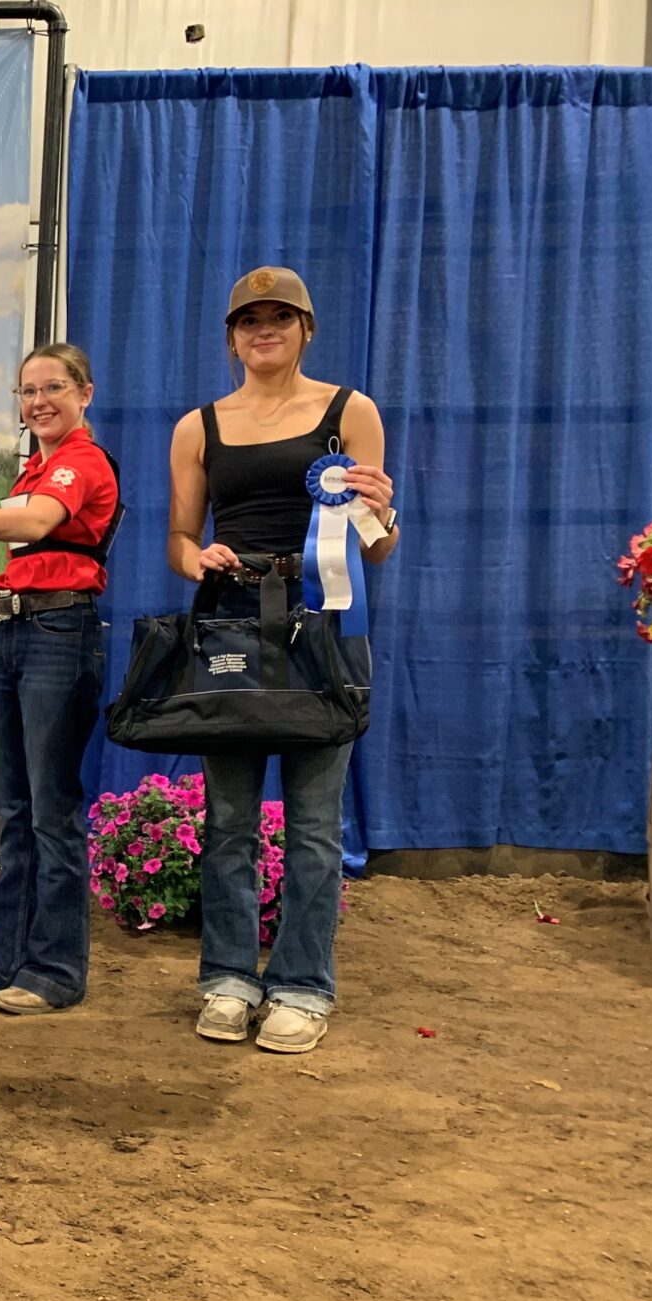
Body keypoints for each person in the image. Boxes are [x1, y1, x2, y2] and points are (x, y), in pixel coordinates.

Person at [166, 266, 400, 1053]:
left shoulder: (349, 412)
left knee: (313, 823)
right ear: (232, 337)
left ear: (306, 329)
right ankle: (228, 978)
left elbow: (380, 541)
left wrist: (383, 509)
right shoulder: (199, 426)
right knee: (227, 818)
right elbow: (179, 538)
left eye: (280, 317)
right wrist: (199, 559)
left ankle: (303, 985)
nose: (263, 329)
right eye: (248, 319)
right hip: (231, 622)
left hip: (323, 625)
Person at [0, 343, 121, 1014]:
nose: (38, 401)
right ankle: (4, 954)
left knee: (51, 812)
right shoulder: (38, 467)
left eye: (52, 388)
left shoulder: (82, 464)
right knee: (15, 811)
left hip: (58, 634)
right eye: (27, 391)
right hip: (14, 633)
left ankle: (56, 968)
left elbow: (37, 525)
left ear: (84, 394)